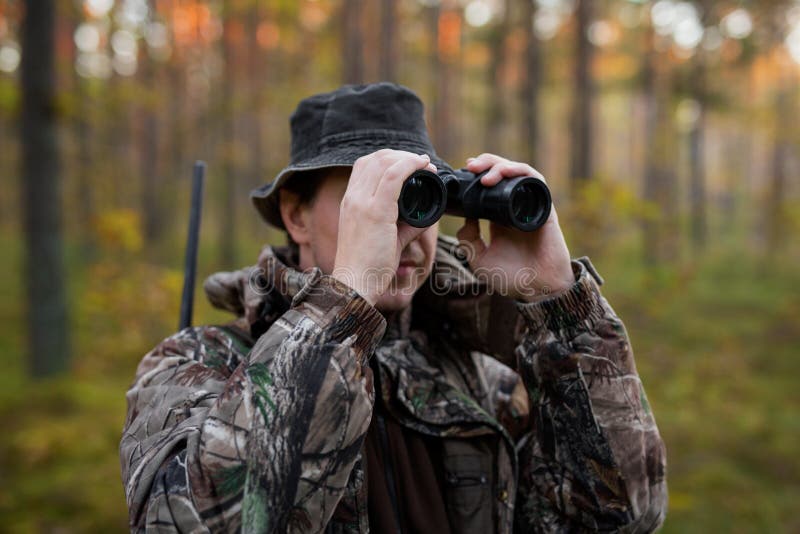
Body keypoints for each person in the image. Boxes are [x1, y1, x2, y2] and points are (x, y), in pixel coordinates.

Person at [120, 82, 667, 533]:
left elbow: (622, 520)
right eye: (375, 198)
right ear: (296, 215)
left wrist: (561, 311)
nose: (407, 232)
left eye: (421, 199)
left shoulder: (484, 379)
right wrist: (347, 299)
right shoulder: (197, 367)